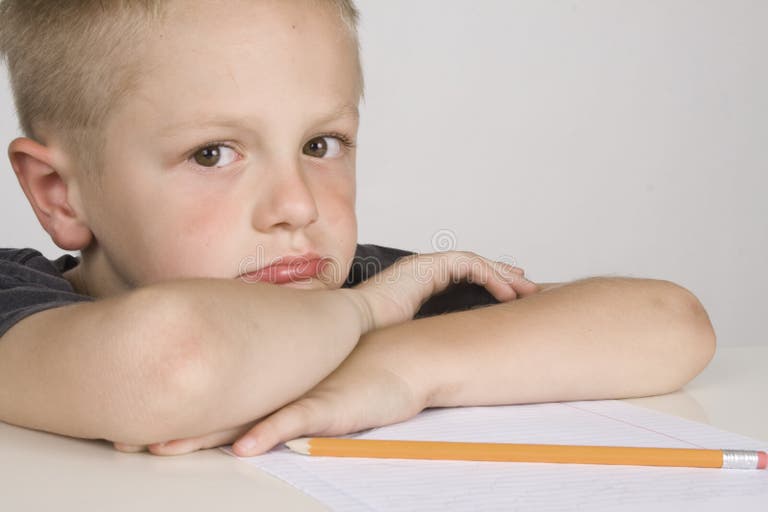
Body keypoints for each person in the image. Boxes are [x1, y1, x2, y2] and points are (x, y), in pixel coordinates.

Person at [0, 0, 715, 457]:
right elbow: (175, 362)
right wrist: (368, 316)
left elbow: (668, 325)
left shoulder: (350, 282)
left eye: (321, 145)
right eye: (212, 154)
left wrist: (399, 371)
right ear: (61, 194)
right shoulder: (16, 301)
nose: (298, 206)